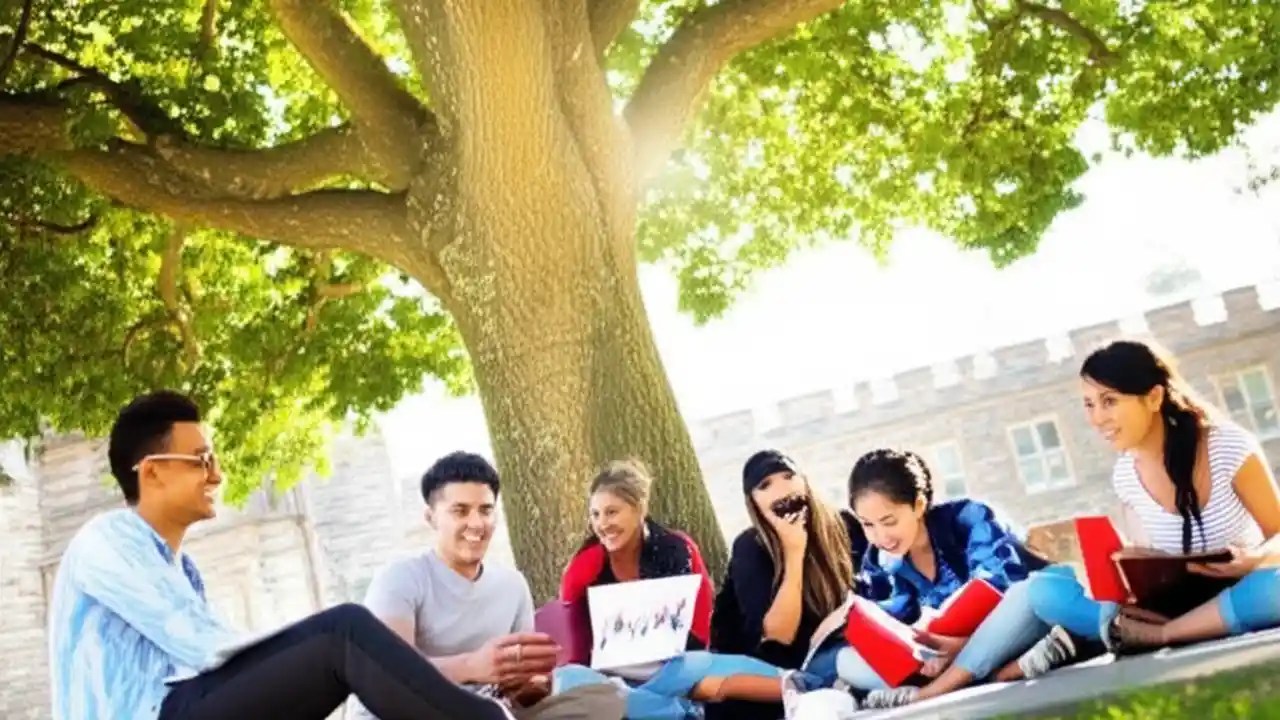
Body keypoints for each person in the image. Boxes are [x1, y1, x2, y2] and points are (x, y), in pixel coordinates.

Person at [46, 390, 620, 720]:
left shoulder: (182, 566)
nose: (217, 474)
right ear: (151, 472)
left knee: (339, 646)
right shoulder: (108, 538)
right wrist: (312, 652)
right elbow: (206, 645)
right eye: (201, 460)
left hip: (182, 707)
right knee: (344, 633)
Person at [1015, 340, 1280, 656]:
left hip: (1242, 591)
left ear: (1154, 397)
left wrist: (1254, 559)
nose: (1097, 418)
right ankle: (1152, 629)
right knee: (1046, 591)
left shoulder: (1228, 446)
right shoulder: (1125, 476)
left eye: (1109, 401)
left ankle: (1163, 635)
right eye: (1089, 404)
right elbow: (1151, 559)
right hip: (1177, 604)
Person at [352, 452, 609, 718]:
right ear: (431, 517)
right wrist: (471, 666)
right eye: (460, 511)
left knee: (603, 697)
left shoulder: (512, 585)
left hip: (481, 711)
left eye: (485, 510)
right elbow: (388, 675)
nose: (476, 524)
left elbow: (515, 689)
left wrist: (532, 683)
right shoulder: (400, 578)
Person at [553, 459, 803, 719]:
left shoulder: (676, 549)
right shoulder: (583, 568)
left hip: (678, 664)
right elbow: (579, 650)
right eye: (595, 514)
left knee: (736, 670)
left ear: (639, 508)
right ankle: (676, 709)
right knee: (570, 679)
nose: (603, 523)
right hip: (615, 679)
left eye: (612, 512)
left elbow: (699, 630)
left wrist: (679, 680)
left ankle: (807, 686)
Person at [832, 448, 1050, 709]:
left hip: (1005, 633)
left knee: (1029, 593)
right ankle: (976, 672)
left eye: (889, 521)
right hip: (939, 662)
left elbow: (1001, 583)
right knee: (845, 660)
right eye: (868, 524)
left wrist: (962, 645)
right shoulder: (879, 563)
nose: (881, 537)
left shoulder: (968, 518)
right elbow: (894, 629)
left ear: (919, 505)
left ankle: (935, 691)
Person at [706, 450, 866, 720]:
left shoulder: (844, 526)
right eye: (765, 485)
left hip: (838, 651)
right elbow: (778, 637)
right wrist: (794, 554)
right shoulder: (751, 548)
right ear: (754, 502)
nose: (781, 488)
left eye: (788, 476)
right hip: (769, 672)